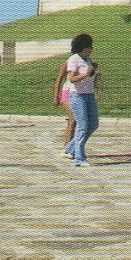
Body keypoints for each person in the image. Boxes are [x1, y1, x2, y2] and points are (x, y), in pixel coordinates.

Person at [64, 32, 101, 167]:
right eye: (89, 47)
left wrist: (94, 72)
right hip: (77, 96)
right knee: (83, 125)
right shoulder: (73, 59)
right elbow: (71, 79)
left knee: (93, 124)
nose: (91, 49)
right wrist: (86, 74)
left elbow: (90, 75)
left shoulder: (88, 60)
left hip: (90, 95)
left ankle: (69, 148)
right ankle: (79, 158)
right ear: (83, 48)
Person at [52, 59, 76, 155]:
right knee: (73, 118)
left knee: (76, 121)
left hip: (78, 94)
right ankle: (67, 148)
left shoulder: (87, 61)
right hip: (66, 92)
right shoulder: (69, 62)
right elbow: (59, 79)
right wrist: (56, 96)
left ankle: (71, 147)